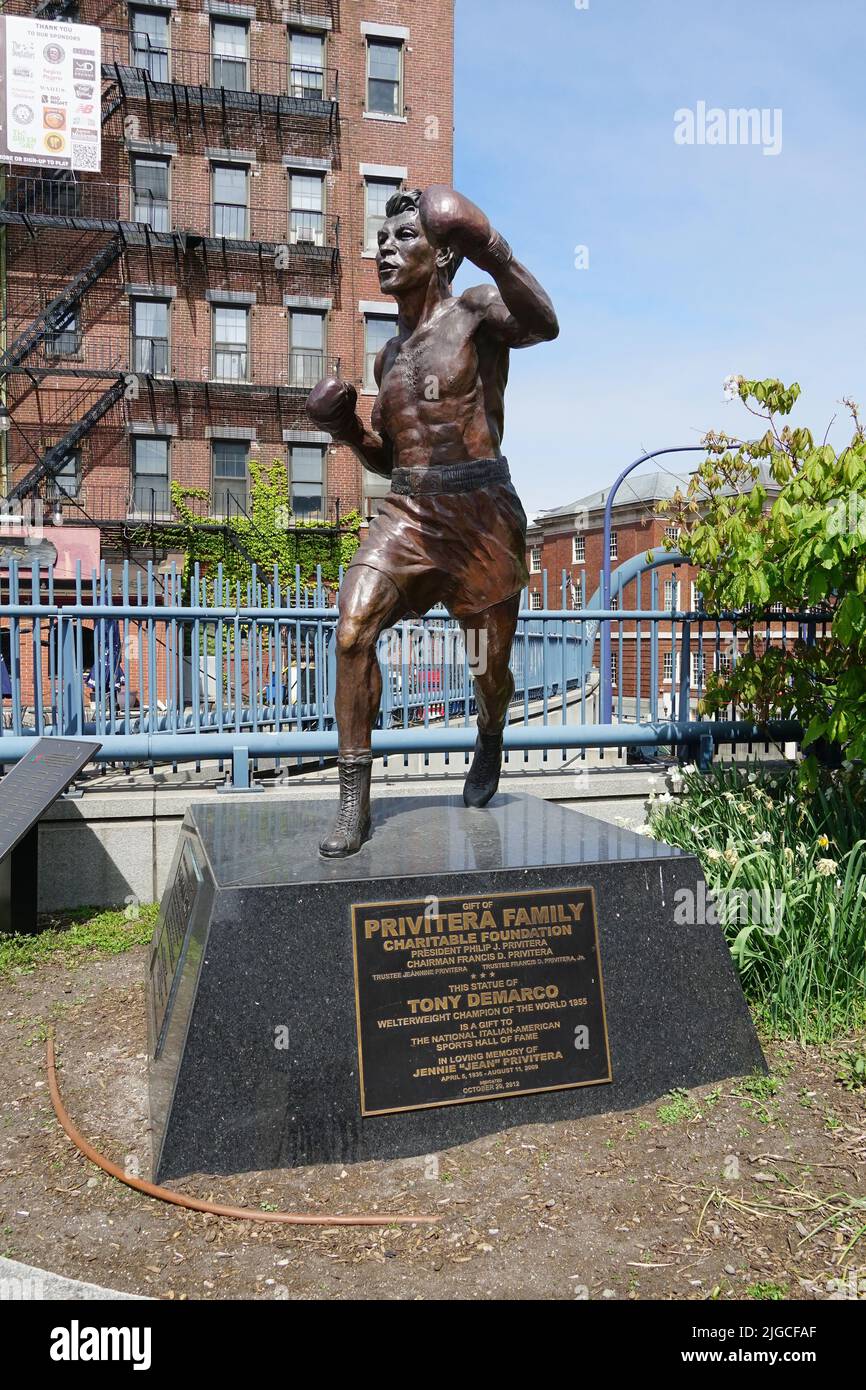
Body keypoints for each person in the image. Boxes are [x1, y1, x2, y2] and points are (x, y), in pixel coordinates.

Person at [307, 185, 559, 856]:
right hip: (410, 510)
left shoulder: (475, 310)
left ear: (443, 253)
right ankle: (354, 802)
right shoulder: (388, 359)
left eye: (405, 238)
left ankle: (490, 731)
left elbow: (544, 324)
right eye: (382, 241)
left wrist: (490, 245)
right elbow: (390, 460)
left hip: (480, 518)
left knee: (488, 672)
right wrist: (347, 432)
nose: (386, 249)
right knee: (353, 627)